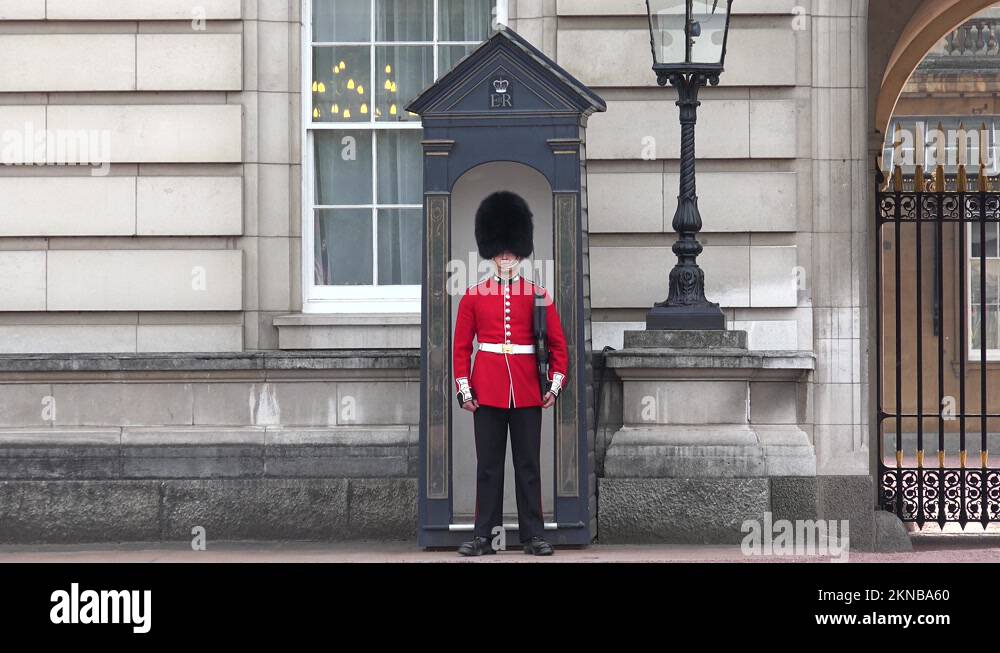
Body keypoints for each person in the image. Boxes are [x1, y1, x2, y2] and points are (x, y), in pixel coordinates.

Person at [453, 191, 569, 557]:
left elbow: (559, 347)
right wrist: (464, 389)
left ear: (520, 253)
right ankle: (483, 537)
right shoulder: (472, 296)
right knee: (488, 468)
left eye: (511, 252)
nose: (506, 258)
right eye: (501, 252)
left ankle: (532, 536)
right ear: (492, 253)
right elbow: (460, 348)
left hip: (526, 388)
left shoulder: (538, 295)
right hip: (486, 389)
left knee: (528, 466)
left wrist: (553, 386)